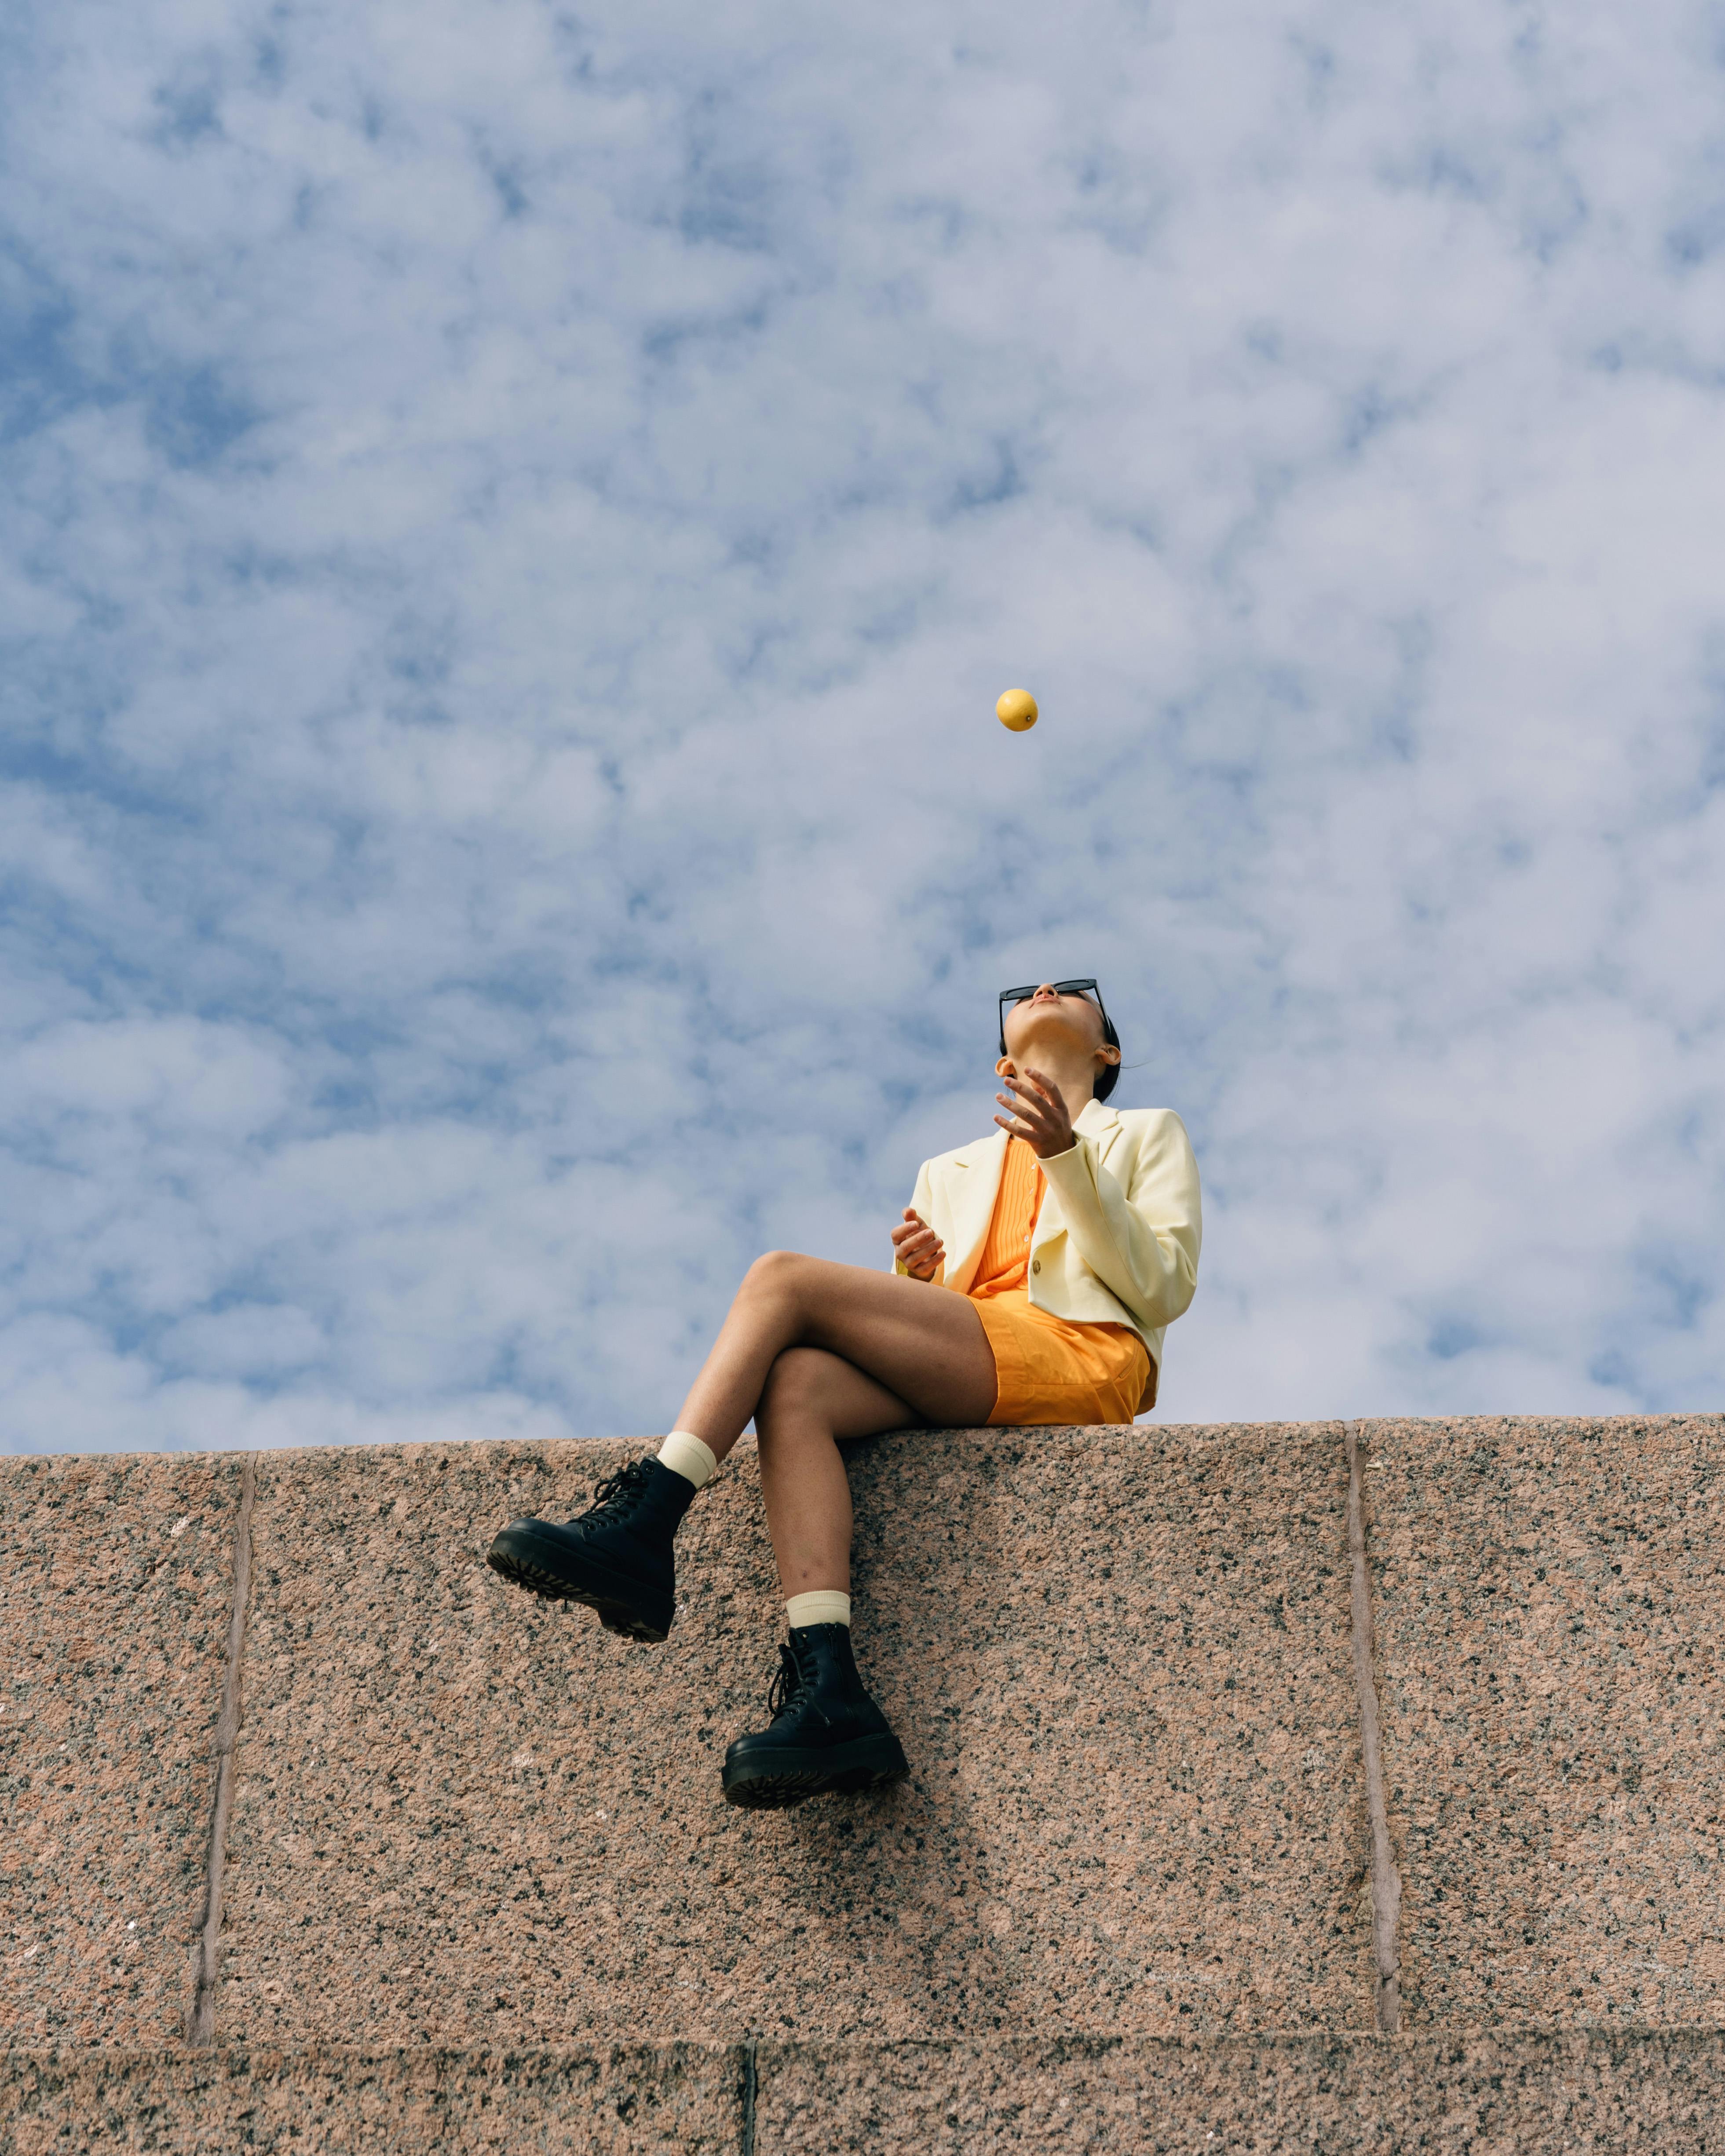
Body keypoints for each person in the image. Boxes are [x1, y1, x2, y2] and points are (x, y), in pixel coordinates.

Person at [488, 979, 1202, 1809]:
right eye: (1027, 991)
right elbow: (950, 1308)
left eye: (1074, 991)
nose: (1046, 989)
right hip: (977, 1356)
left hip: (1082, 1355)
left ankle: (650, 1517)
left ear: (1106, 1051)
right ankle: (827, 1686)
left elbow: (1162, 1289)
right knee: (795, 1387)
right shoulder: (950, 1169)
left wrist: (1064, 1157)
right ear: (1004, 1059)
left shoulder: (1146, 1134)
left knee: (780, 1279)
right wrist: (925, 1279)